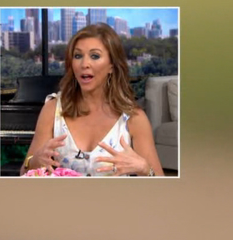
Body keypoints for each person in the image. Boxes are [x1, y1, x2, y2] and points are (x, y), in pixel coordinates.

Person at [21, 23, 163, 177]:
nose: (84, 64)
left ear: (111, 66)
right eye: (78, 56)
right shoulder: (52, 110)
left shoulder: (134, 119)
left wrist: (144, 169)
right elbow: (24, 172)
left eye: (95, 56)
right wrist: (34, 161)